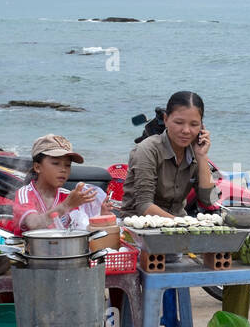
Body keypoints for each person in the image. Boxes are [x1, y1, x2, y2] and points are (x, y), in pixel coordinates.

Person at [119, 91, 218, 219]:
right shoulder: (147, 150)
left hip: (178, 226)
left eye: (194, 124)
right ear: (166, 119)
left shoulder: (195, 151)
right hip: (139, 225)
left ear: (201, 126)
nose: (186, 131)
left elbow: (209, 200)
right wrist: (184, 224)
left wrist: (202, 157)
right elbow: (144, 205)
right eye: (179, 122)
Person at [12, 134, 108, 233]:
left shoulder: (67, 195)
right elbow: (33, 224)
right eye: (55, 163)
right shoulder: (25, 194)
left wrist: (101, 216)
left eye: (67, 165)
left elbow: (80, 230)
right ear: (37, 167)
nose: (63, 170)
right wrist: (66, 205)